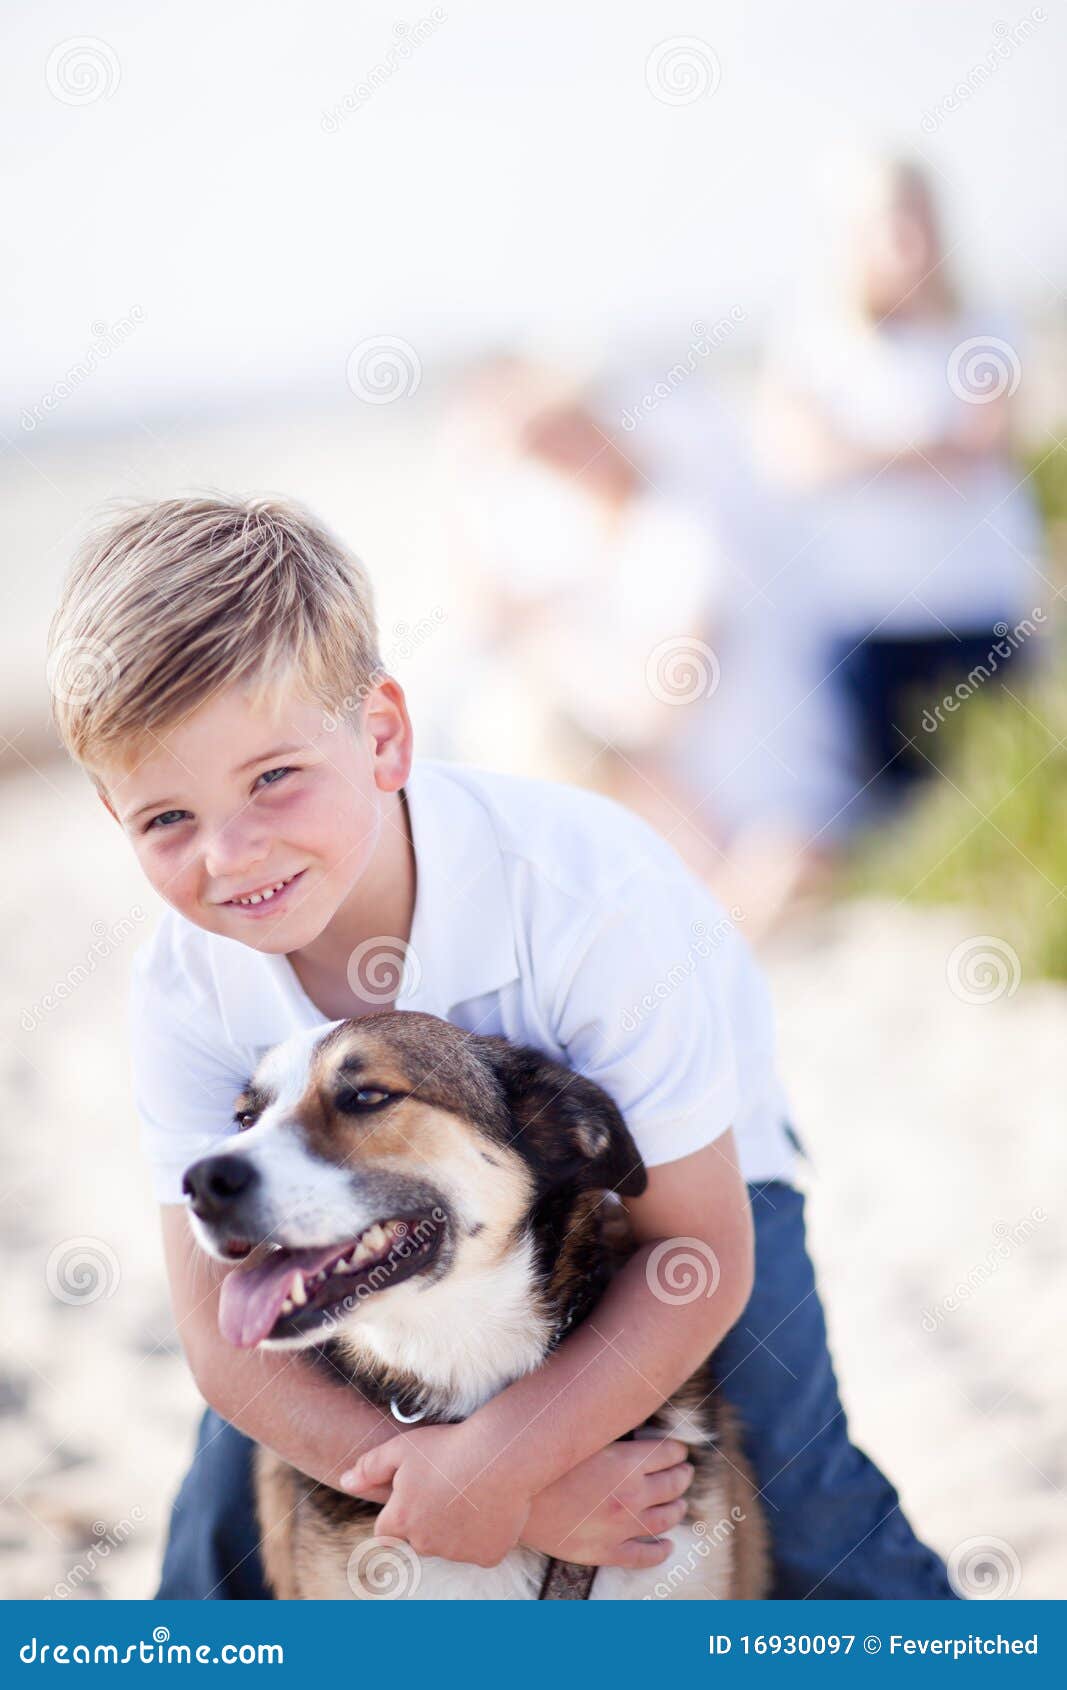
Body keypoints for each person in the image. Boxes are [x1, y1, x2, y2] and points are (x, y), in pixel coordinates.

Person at [46, 494, 957, 1598]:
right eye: (166, 820)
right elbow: (219, 1336)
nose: (230, 855)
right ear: (114, 817)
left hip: (687, 1179)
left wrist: (504, 1460)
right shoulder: (184, 983)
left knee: (807, 1499)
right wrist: (494, 1493)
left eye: (273, 777)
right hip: (344, 1214)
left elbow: (697, 1252)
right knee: (215, 1532)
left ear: (382, 734)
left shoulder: (585, 893)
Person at [757, 154, 1043, 834]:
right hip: (864, 617)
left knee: (999, 804)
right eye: (886, 223)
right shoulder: (812, 337)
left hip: (978, 609)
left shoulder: (984, 326)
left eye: (915, 219)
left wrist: (859, 450)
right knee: (891, 816)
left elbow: (985, 442)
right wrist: (926, 447)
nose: (905, 241)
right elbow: (795, 460)